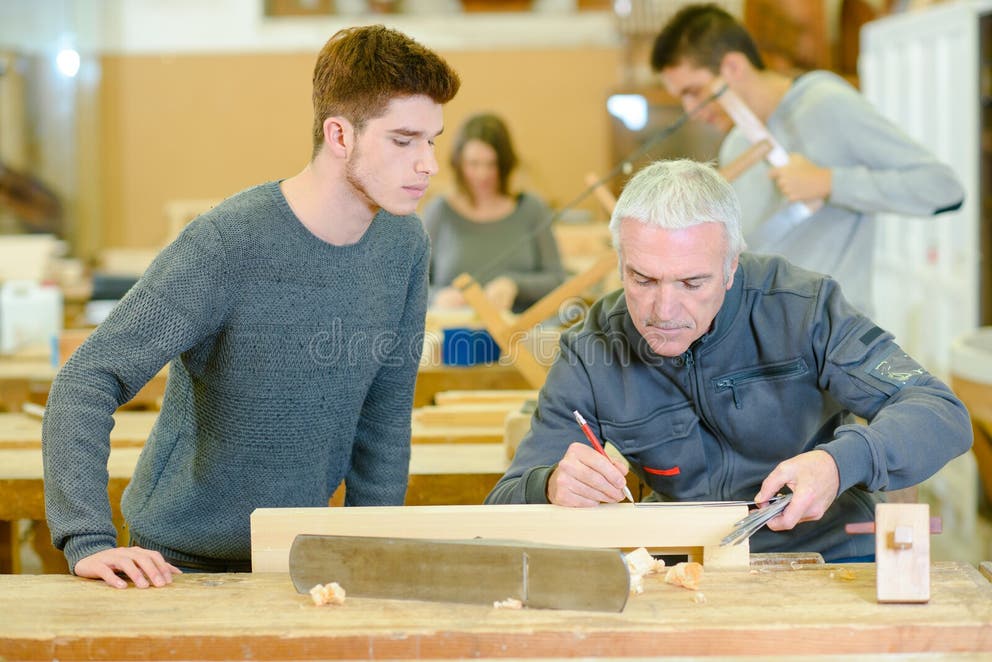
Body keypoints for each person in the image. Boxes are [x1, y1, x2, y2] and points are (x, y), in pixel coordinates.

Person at [42, 25, 460, 588]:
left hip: (298, 561)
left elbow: (385, 413)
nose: (429, 163)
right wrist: (87, 539)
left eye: (433, 140)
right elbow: (87, 379)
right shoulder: (227, 243)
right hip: (176, 566)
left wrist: (371, 551)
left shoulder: (405, 246)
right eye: (404, 141)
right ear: (340, 135)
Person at [484, 159, 971, 562]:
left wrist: (840, 462)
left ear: (731, 266)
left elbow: (940, 412)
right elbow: (500, 507)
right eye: (643, 280)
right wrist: (548, 484)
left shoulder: (801, 308)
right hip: (685, 569)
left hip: (832, 558)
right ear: (619, 264)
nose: (663, 311)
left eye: (692, 283)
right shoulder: (592, 349)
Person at [649, 4, 964, 315]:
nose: (690, 110)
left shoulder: (824, 104)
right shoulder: (736, 145)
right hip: (766, 339)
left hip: (834, 344)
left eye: (694, 91)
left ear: (732, 67)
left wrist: (828, 182)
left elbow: (943, 188)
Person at [422, 113, 564, 313]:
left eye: (491, 164)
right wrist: (438, 296)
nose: (482, 174)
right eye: (474, 164)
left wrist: (515, 285)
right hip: (454, 334)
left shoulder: (532, 209)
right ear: (459, 163)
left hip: (521, 333)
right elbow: (411, 287)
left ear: (505, 164)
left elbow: (557, 279)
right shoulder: (439, 212)